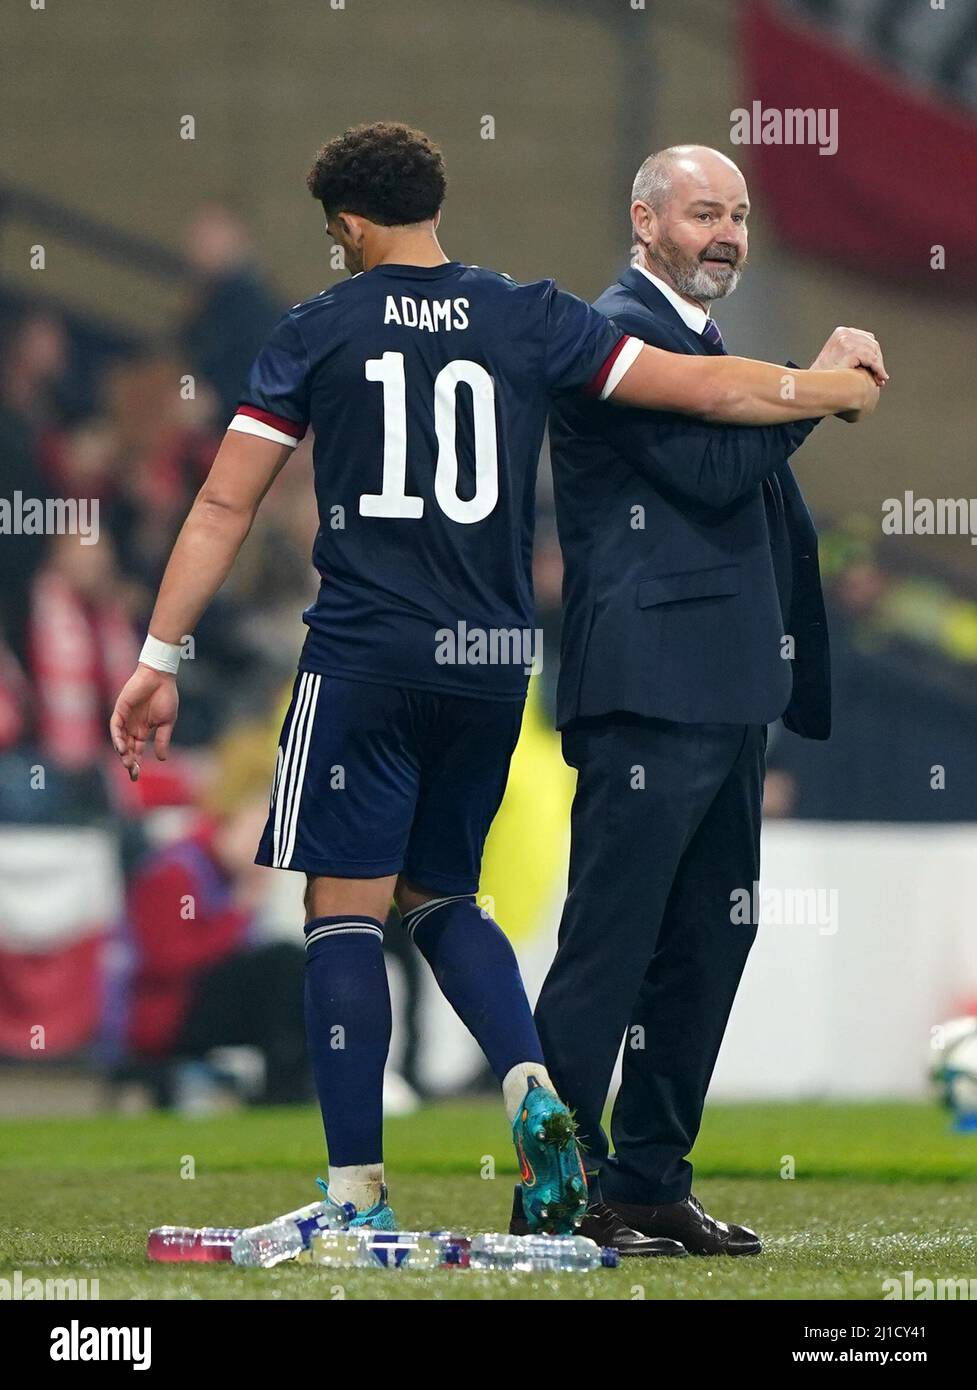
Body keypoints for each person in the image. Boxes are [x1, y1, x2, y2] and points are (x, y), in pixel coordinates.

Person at [109, 123, 882, 1245]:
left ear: (350, 228)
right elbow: (705, 389)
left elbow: (226, 503)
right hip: (487, 665)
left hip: (364, 652)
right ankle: (529, 1085)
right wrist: (822, 385)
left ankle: (357, 1188)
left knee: (342, 913)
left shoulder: (317, 326)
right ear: (438, 201)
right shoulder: (529, 314)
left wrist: (159, 657)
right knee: (444, 898)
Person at [533, 145, 887, 1256]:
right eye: (701, 212)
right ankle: (555, 1190)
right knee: (610, 943)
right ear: (643, 220)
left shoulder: (700, 344)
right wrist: (821, 386)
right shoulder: (612, 332)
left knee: (702, 945)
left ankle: (645, 1179)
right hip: (645, 687)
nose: (724, 232)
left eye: (736, 214)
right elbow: (710, 475)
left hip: (726, 690)